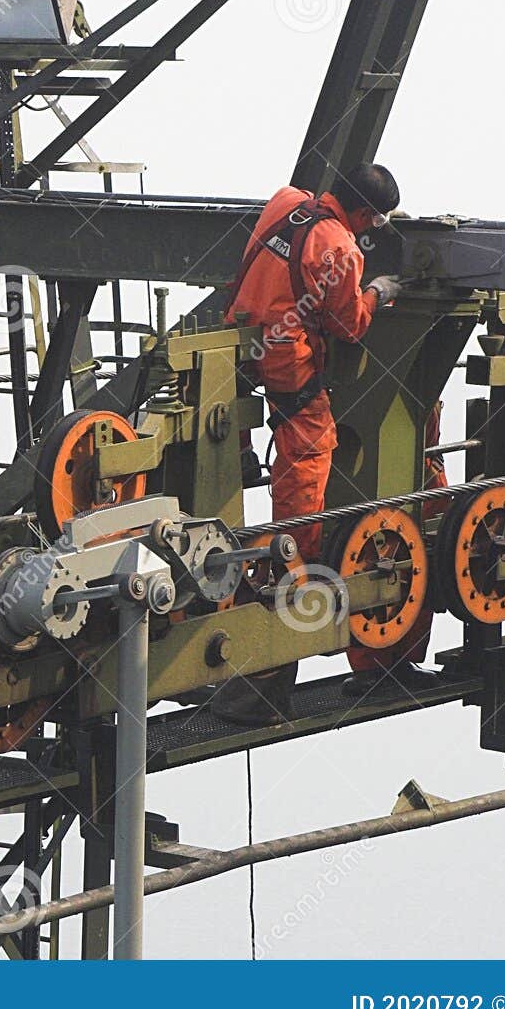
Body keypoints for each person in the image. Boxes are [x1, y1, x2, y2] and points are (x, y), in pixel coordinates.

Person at [213, 164, 411, 722]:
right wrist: (376, 292)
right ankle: (295, 548)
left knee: (286, 433)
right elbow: (349, 325)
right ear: (368, 215)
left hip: (245, 337)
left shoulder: (286, 202)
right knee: (310, 447)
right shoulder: (342, 249)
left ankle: (274, 517)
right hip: (286, 360)